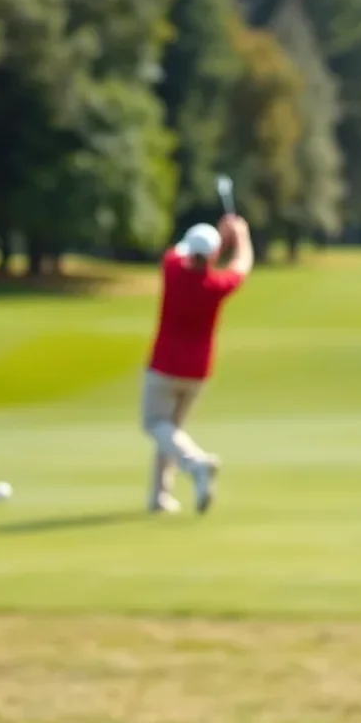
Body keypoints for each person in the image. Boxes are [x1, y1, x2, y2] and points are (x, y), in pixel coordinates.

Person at [141, 214, 254, 514]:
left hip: (164, 365)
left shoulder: (173, 268)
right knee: (171, 431)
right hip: (197, 372)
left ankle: (196, 464)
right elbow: (242, 264)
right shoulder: (216, 284)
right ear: (214, 255)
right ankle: (159, 497)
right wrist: (238, 235)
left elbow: (182, 250)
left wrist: (219, 235)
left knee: (155, 424)